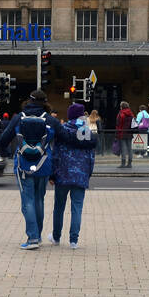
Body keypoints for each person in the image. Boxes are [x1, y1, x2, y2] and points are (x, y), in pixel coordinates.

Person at [0, 90, 60, 249]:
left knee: (28, 201)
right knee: (39, 200)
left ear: (29, 101)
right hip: (44, 163)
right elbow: (63, 137)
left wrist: (5, 153)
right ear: (45, 102)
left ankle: (32, 238)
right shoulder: (50, 119)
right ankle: (37, 236)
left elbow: (4, 139)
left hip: (24, 164)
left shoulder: (19, 118)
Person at [50, 103, 95, 248]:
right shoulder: (87, 132)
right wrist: (88, 174)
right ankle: (73, 240)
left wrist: (52, 174)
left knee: (59, 207)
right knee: (77, 208)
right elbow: (91, 157)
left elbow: (55, 153)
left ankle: (56, 237)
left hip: (62, 174)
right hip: (80, 175)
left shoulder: (63, 130)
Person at [115, 101, 135, 168]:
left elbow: (118, 124)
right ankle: (130, 163)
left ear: (121, 107)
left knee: (123, 149)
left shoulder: (121, 114)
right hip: (129, 133)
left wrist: (117, 133)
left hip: (122, 133)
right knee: (130, 148)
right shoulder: (131, 113)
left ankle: (123, 163)